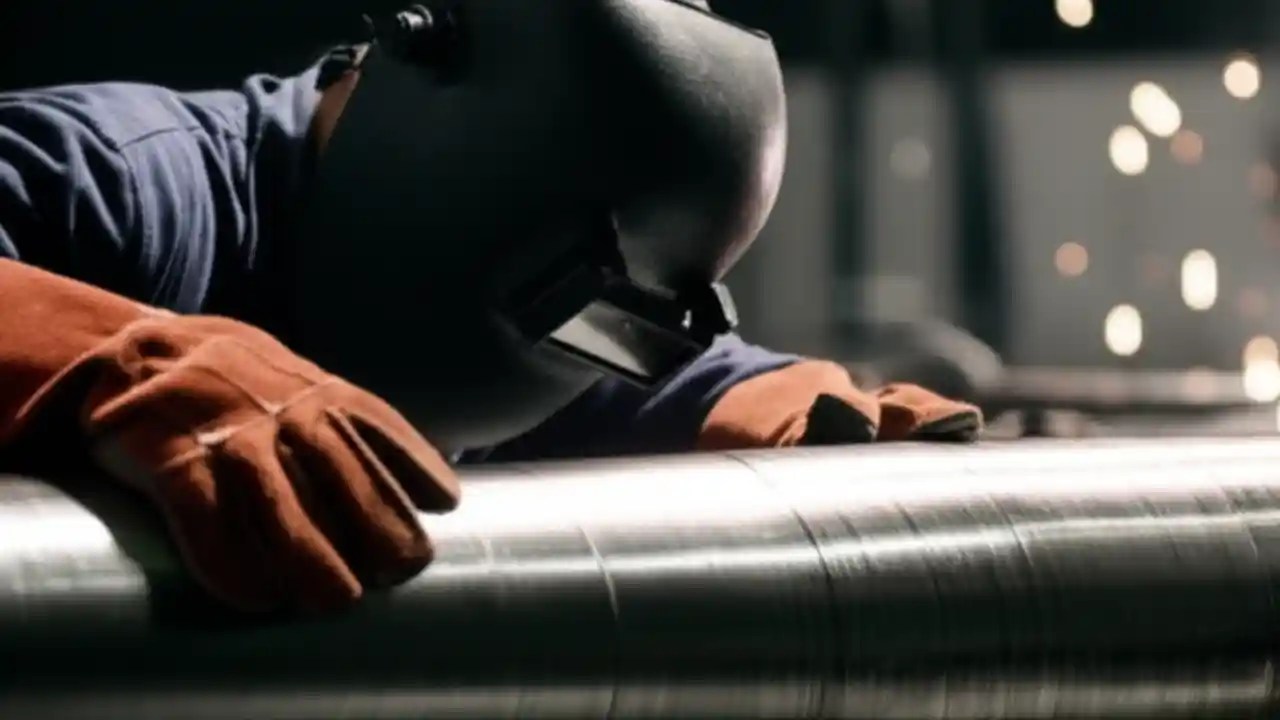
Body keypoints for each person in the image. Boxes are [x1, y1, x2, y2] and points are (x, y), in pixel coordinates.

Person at [0, 0, 981, 614]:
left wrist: (766, 405)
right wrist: (107, 353)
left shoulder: (534, 307)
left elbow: (623, 362)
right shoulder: (125, 182)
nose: (580, 334)